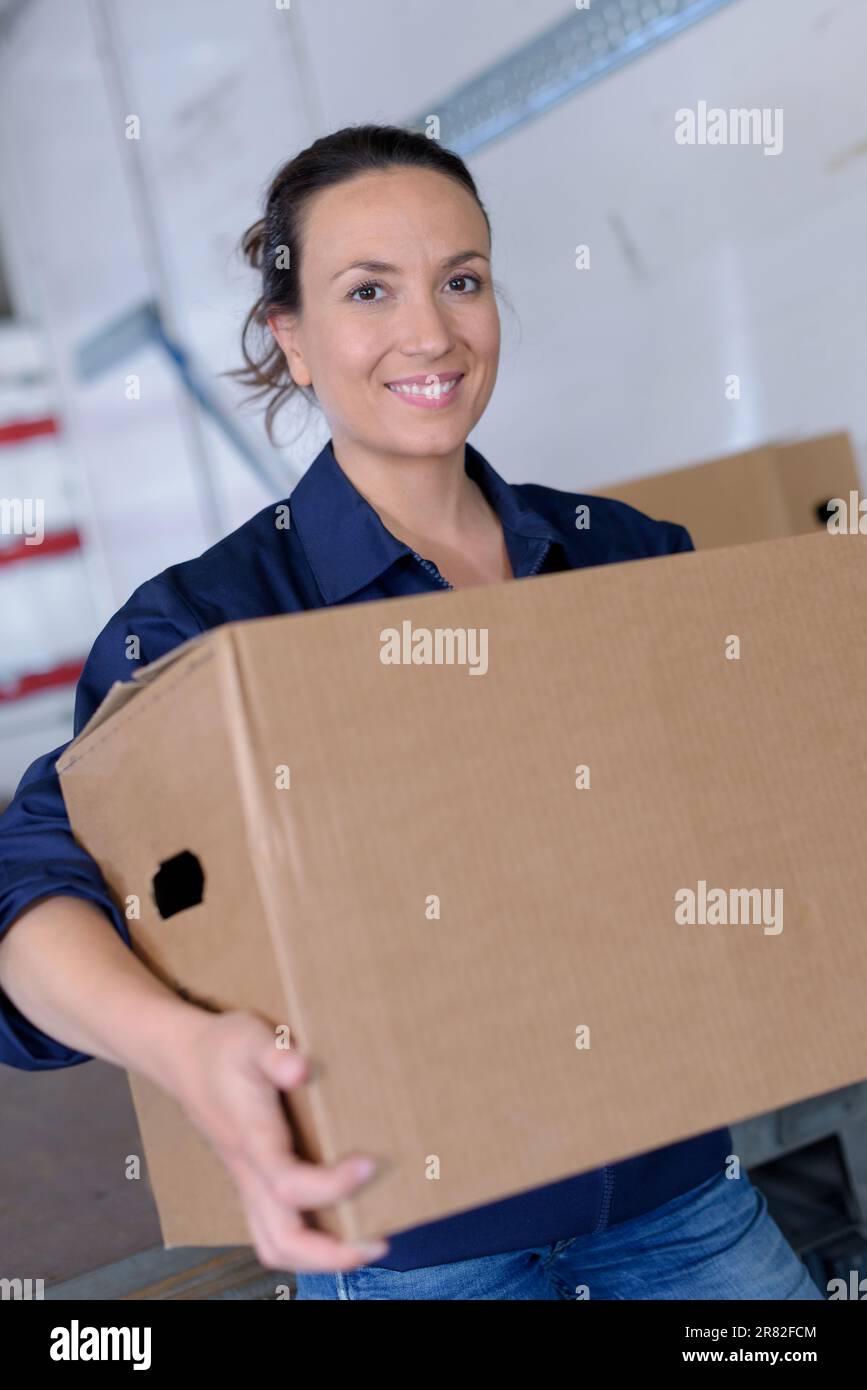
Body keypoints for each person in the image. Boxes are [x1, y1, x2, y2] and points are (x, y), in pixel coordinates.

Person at [0, 124, 823, 1301]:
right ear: (290, 338)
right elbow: (31, 896)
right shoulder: (206, 626)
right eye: (369, 290)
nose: (431, 333)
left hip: (673, 1190)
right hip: (416, 1241)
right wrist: (185, 1046)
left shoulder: (627, 561)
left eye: (463, 281)